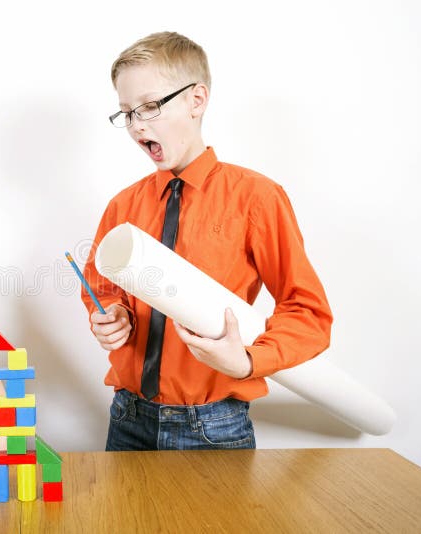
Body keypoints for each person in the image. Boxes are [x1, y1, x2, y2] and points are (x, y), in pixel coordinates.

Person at [82, 32, 333, 451]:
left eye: (149, 106)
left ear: (196, 100)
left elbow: (308, 313)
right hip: (127, 419)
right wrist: (110, 312)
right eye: (126, 113)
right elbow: (102, 285)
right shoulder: (122, 205)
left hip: (213, 427)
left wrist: (250, 360)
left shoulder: (256, 198)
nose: (137, 125)